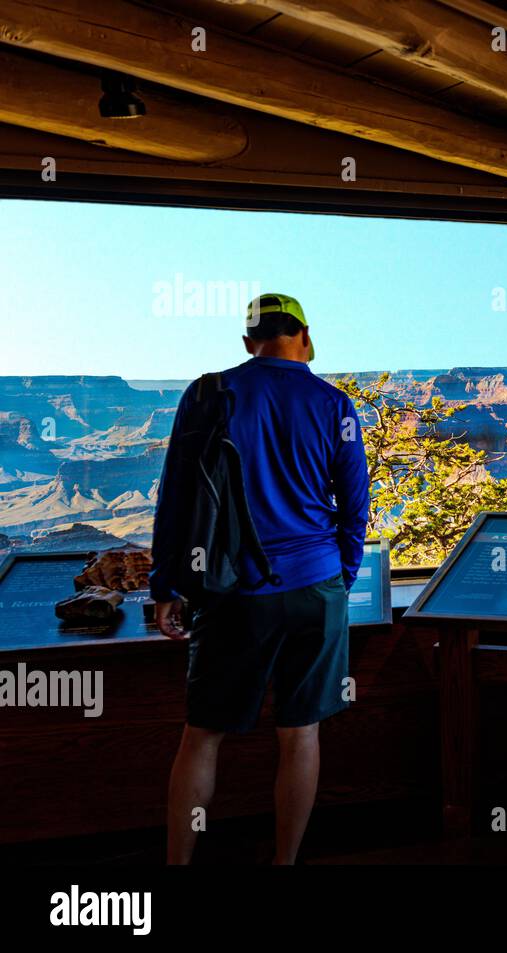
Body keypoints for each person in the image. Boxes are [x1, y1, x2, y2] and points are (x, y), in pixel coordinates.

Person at [150, 293, 370, 865]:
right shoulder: (335, 404)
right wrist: (340, 575)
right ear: (304, 334)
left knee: (203, 735)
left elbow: (175, 495)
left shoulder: (207, 394)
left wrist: (165, 585)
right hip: (316, 587)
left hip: (233, 593)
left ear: (249, 340)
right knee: (300, 734)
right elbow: (355, 505)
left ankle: (177, 865)